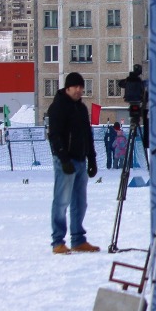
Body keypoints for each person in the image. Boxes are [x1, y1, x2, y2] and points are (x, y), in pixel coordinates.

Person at [46, 71, 100, 254]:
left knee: (80, 202)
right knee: (62, 201)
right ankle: (57, 241)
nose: (79, 90)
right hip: (65, 162)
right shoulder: (58, 107)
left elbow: (87, 134)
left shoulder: (81, 108)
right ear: (67, 88)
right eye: (75, 87)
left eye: (81, 87)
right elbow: (54, 136)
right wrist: (63, 158)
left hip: (80, 160)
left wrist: (92, 158)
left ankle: (78, 239)